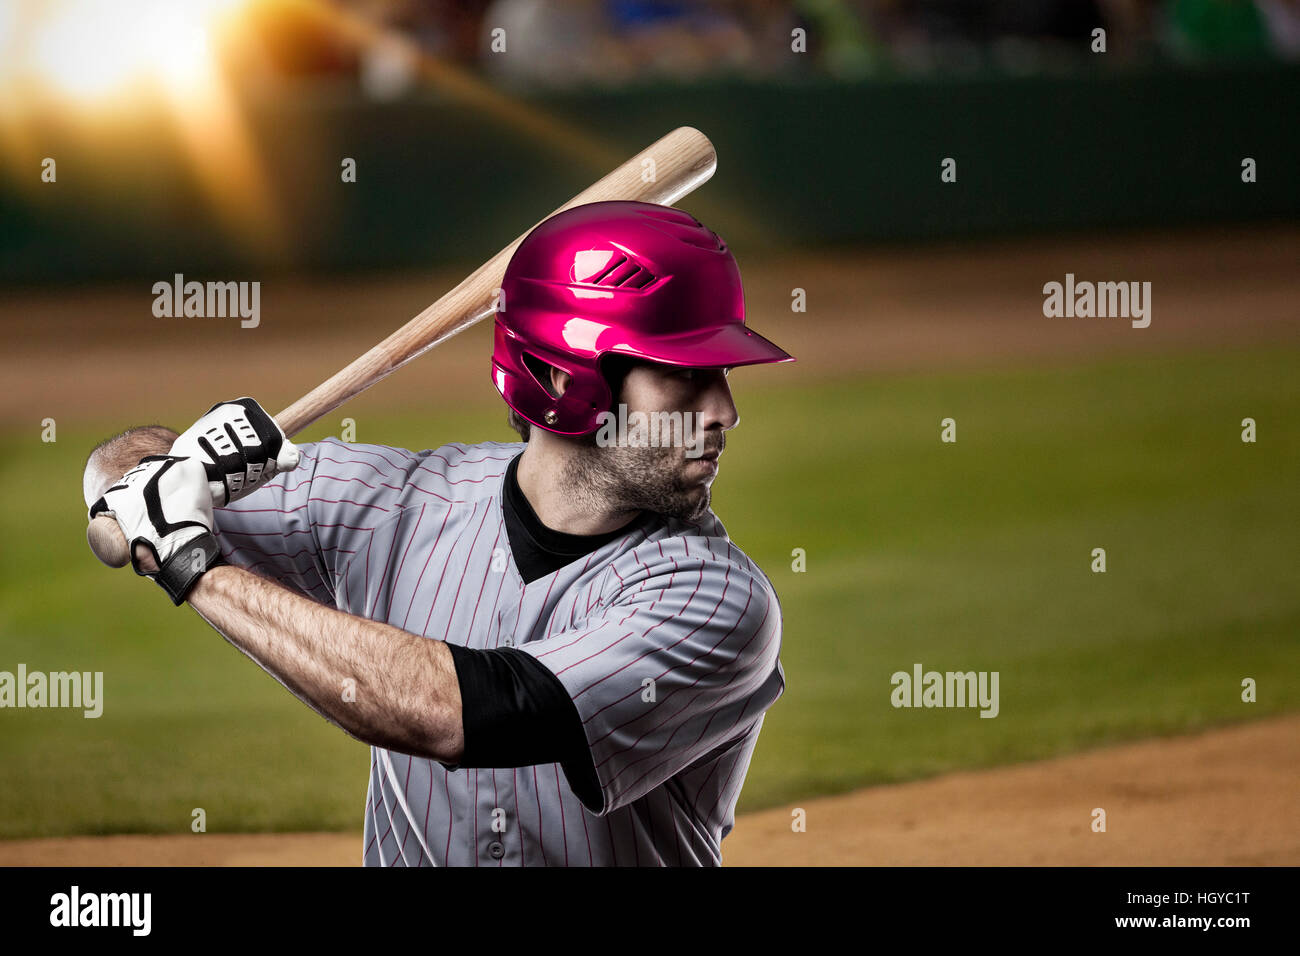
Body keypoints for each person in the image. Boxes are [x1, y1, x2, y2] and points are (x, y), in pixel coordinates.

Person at [85, 200, 793, 866]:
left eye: (722, 374)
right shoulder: (390, 500)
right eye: (685, 377)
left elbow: (451, 711)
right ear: (560, 376)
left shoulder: (719, 601)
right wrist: (171, 467)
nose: (725, 411)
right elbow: (114, 480)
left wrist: (197, 568)